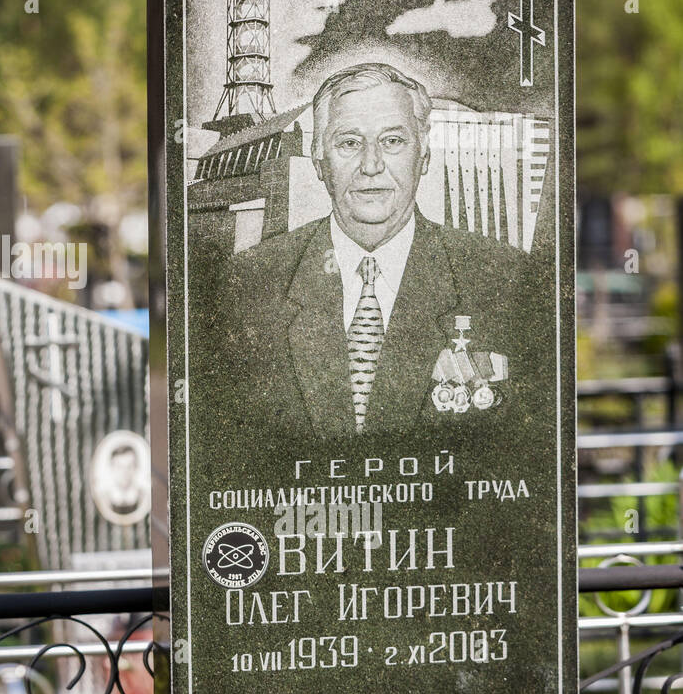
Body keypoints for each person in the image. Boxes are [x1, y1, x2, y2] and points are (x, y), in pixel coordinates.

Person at [193, 63, 534, 443]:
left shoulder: (509, 278)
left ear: (423, 156)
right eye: (349, 143)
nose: (371, 166)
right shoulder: (247, 284)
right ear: (319, 161)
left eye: (392, 141)